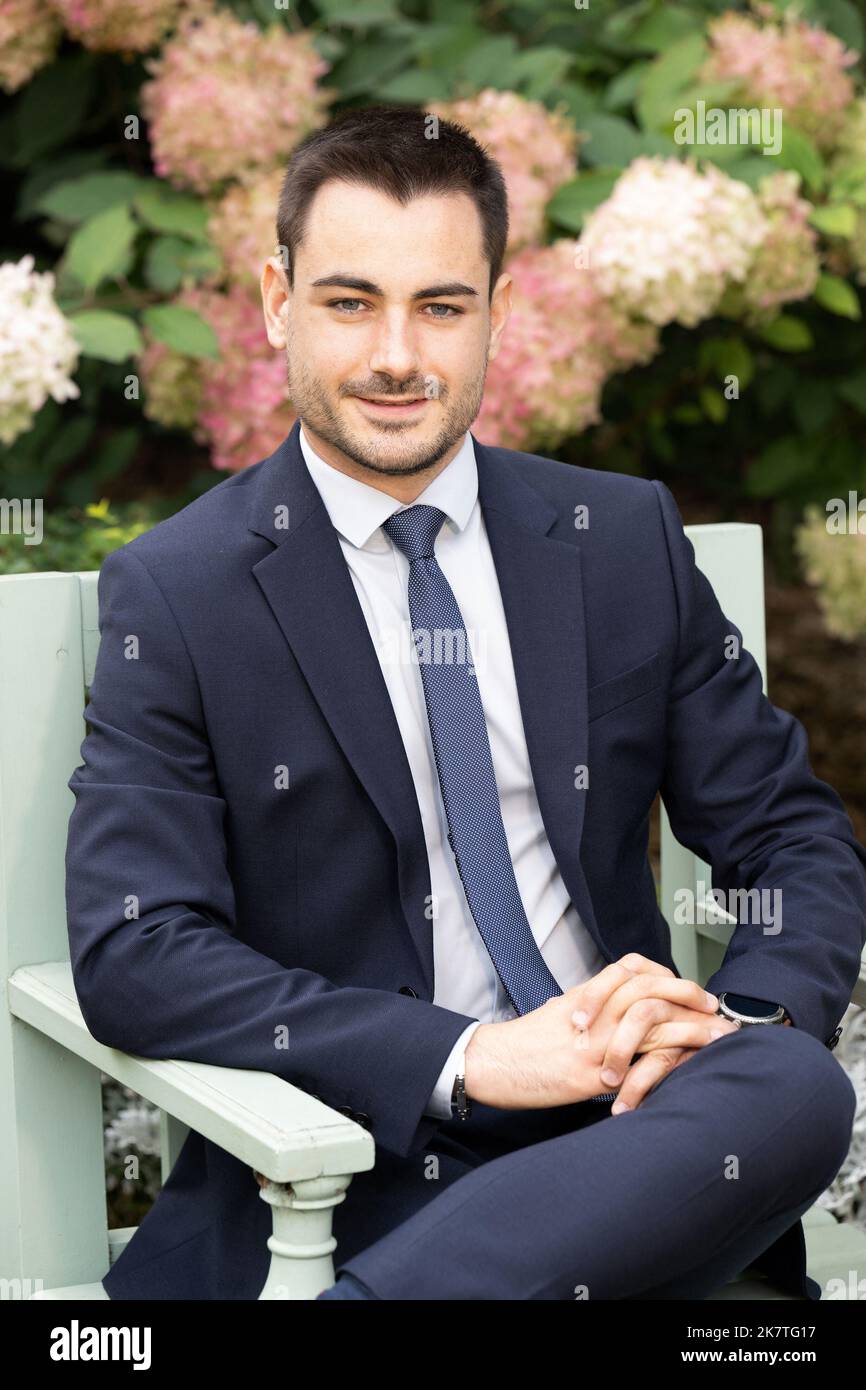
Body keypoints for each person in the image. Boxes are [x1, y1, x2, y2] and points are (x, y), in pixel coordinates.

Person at [65, 105, 865, 1302]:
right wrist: (469, 1055)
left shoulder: (618, 540)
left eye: (440, 305)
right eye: (350, 302)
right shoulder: (181, 592)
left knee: (792, 1076)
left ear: (498, 305)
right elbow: (137, 946)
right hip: (368, 1147)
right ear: (278, 303)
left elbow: (789, 835)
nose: (397, 354)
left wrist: (724, 1020)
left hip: (638, 1140)